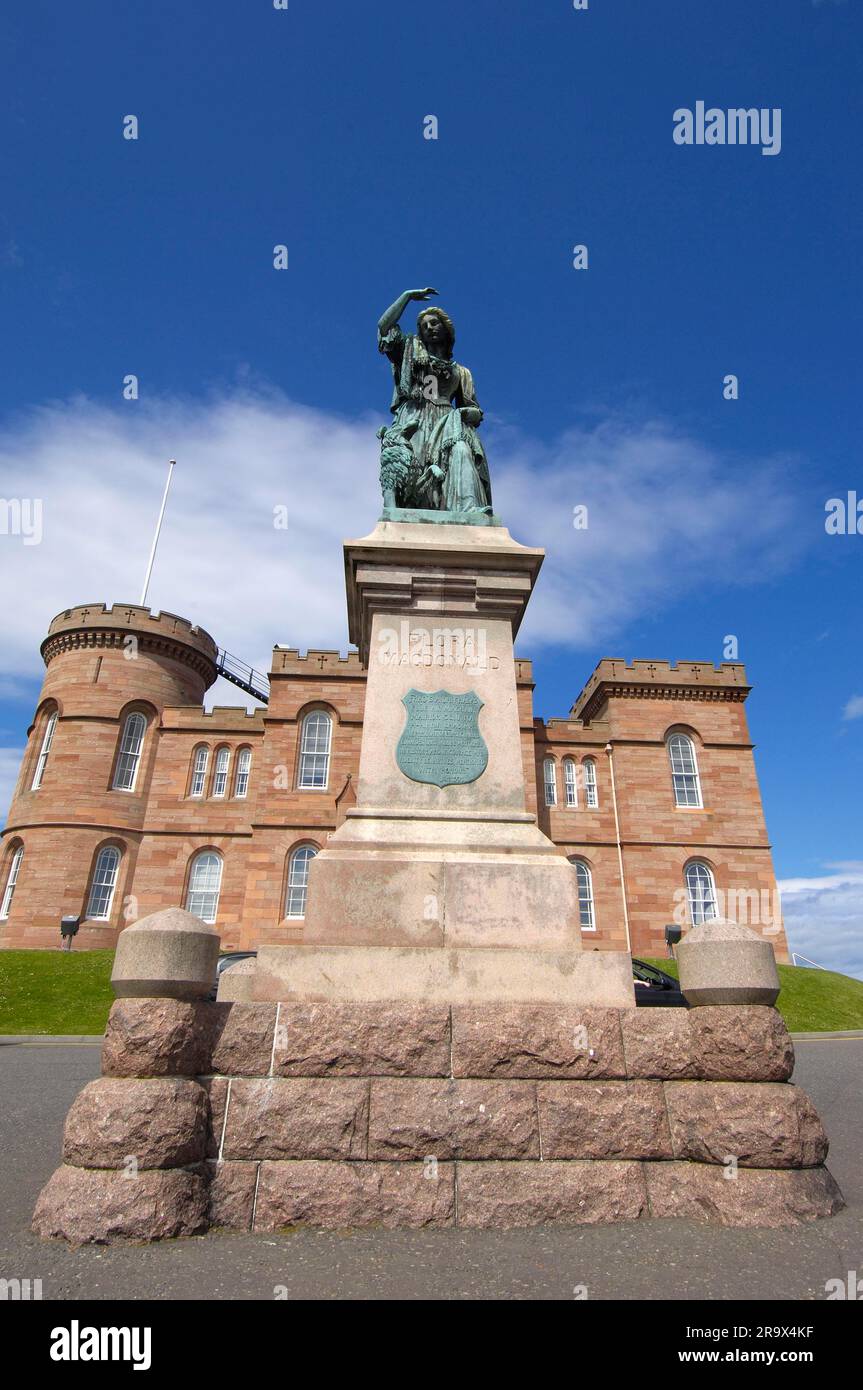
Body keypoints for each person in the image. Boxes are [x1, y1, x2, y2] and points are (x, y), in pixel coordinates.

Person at [376, 288, 493, 514]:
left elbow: (475, 410)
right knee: (409, 470)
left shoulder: (461, 372)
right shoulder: (408, 351)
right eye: (424, 325)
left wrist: (465, 414)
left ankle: (468, 509)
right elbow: (384, 327)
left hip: (448, 423)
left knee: (462, 450)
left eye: (434, 323)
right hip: (415, 420)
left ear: (446, 329)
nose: (429, 327)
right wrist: (407, 297)